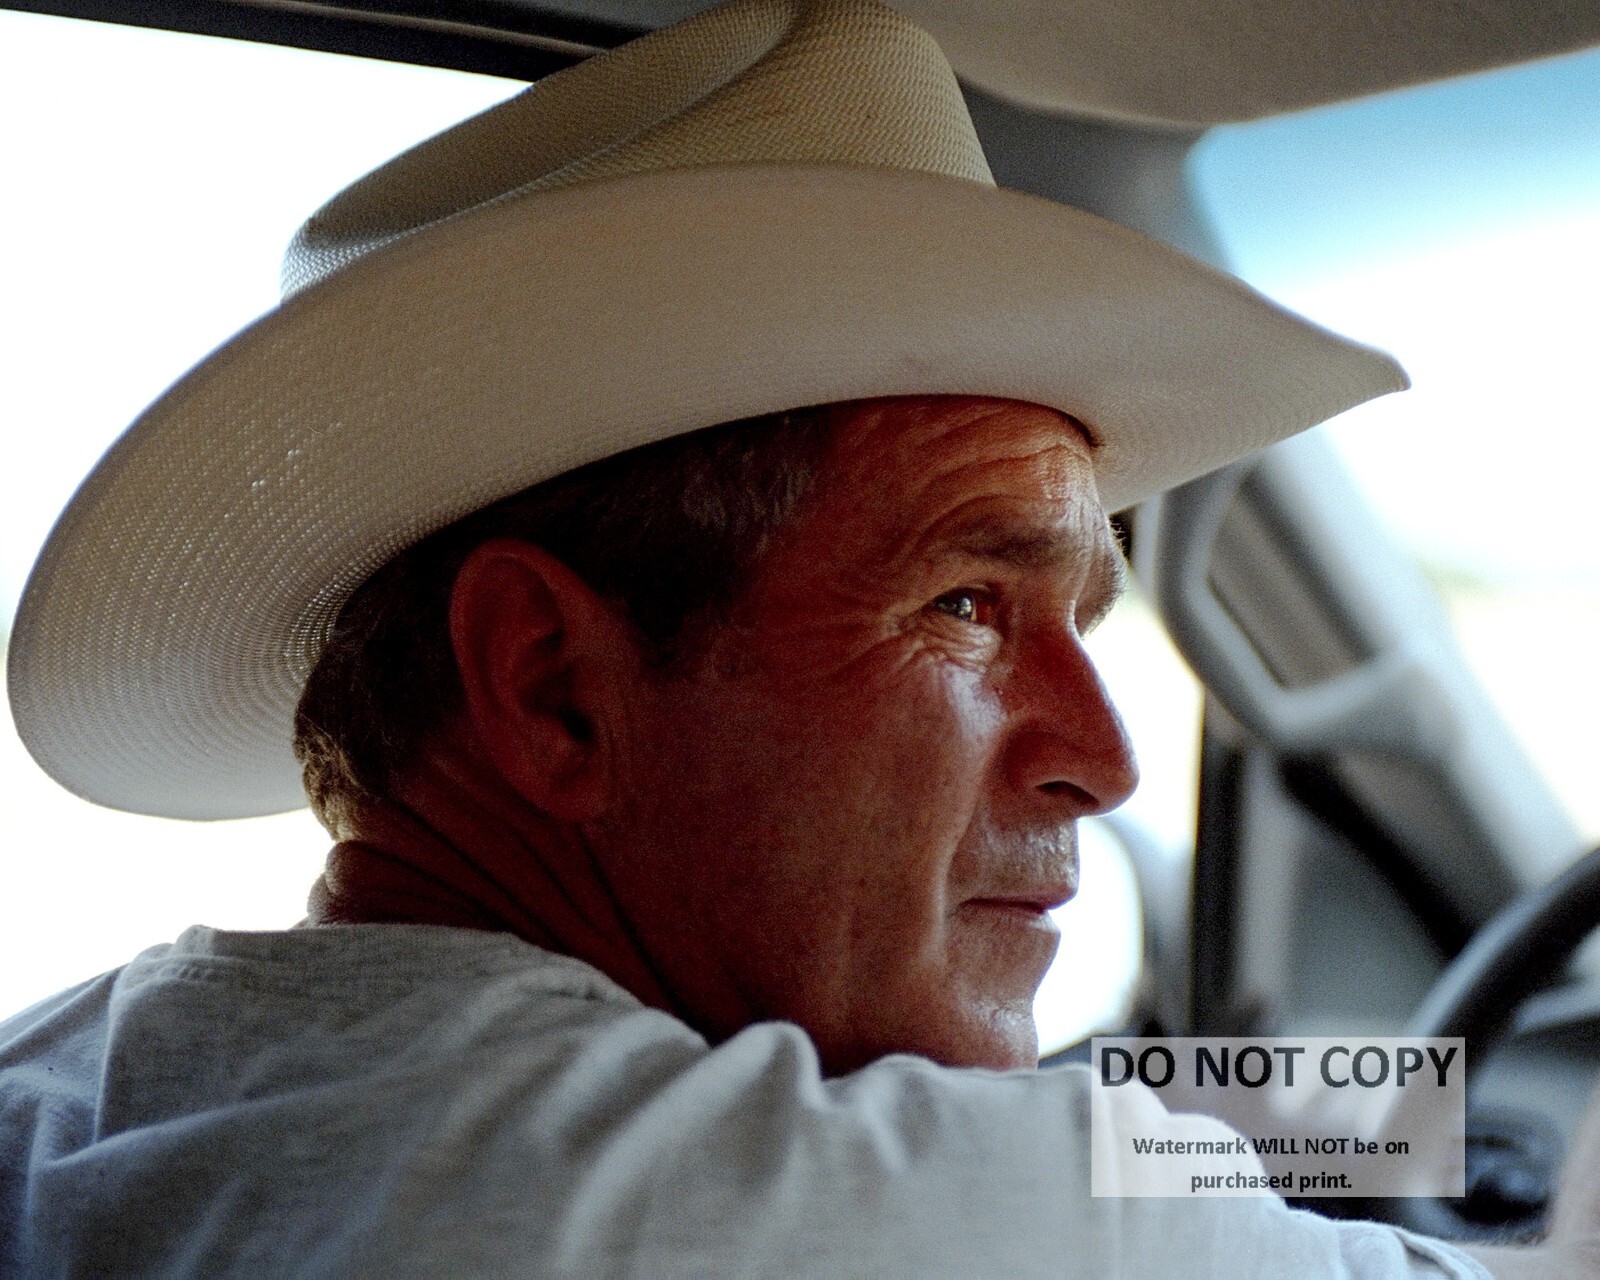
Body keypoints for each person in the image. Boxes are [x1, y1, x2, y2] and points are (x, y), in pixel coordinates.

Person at [2, 1, 1595, 1275]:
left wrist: (1405, 1113)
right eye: (967, 606)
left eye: (1084, 620)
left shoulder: (72, 1087)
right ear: (554, 686)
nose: (1102, 762)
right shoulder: (823, 1213)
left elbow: (1112, 1126)